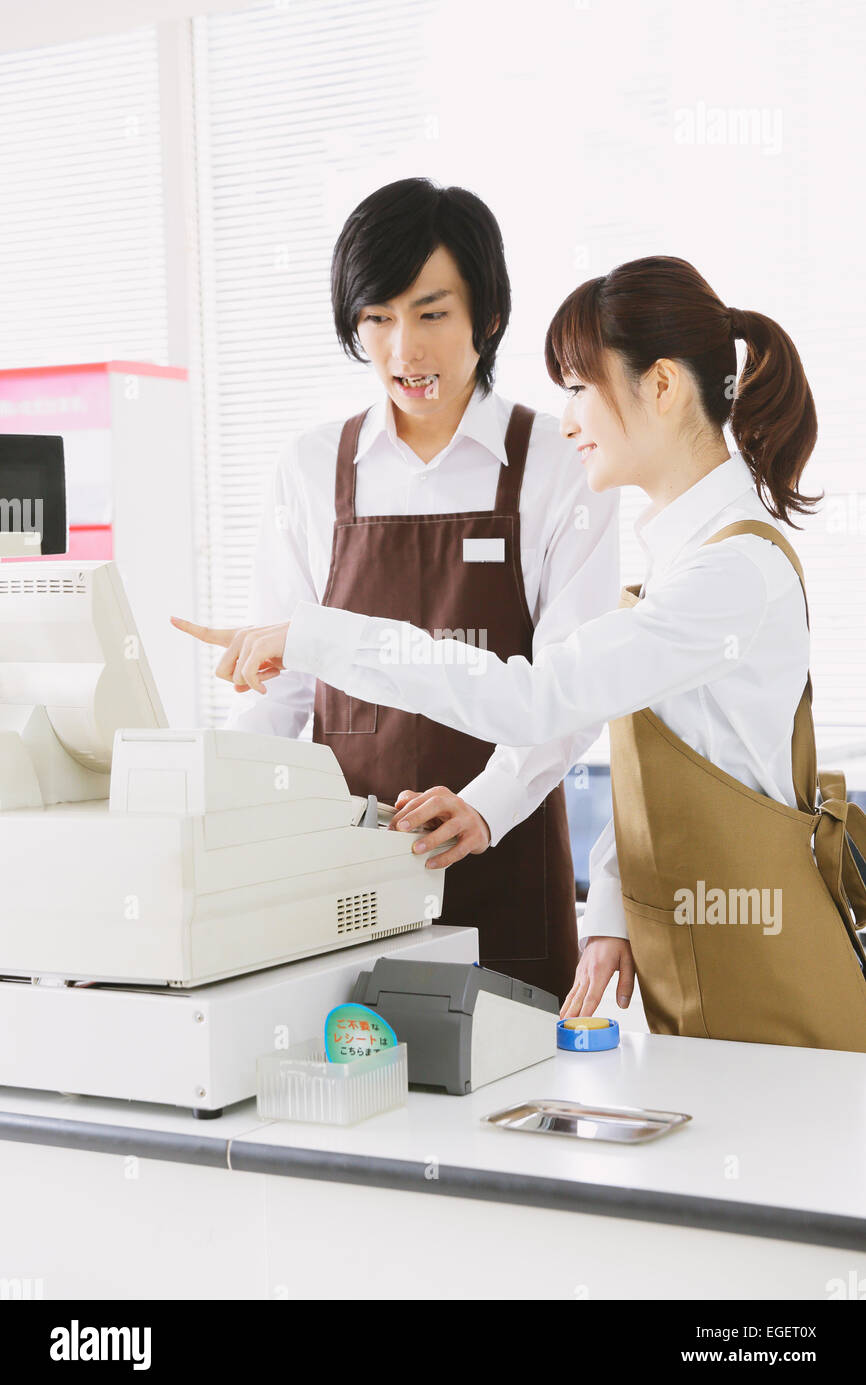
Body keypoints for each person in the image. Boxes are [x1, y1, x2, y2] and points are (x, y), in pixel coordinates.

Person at [176, 253, 866, 1050]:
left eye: (580, 387)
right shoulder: (690, 556)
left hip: (763, 969)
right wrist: (611, 908)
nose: (568, 418)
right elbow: (681, 766)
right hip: (709, 953)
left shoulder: (730, 572)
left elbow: (537, 698)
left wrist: (317, 632)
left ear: (664, 387)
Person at [174, 178, 620, 1001]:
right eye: (376, 318)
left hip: (504, 859)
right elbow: (284, 695)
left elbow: (574, 688)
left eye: (431, 314)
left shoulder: (562, 464)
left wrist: (486, 804)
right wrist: (215, 808)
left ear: (487, 316)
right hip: (341, 881)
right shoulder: (312, 469)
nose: (402, 351)